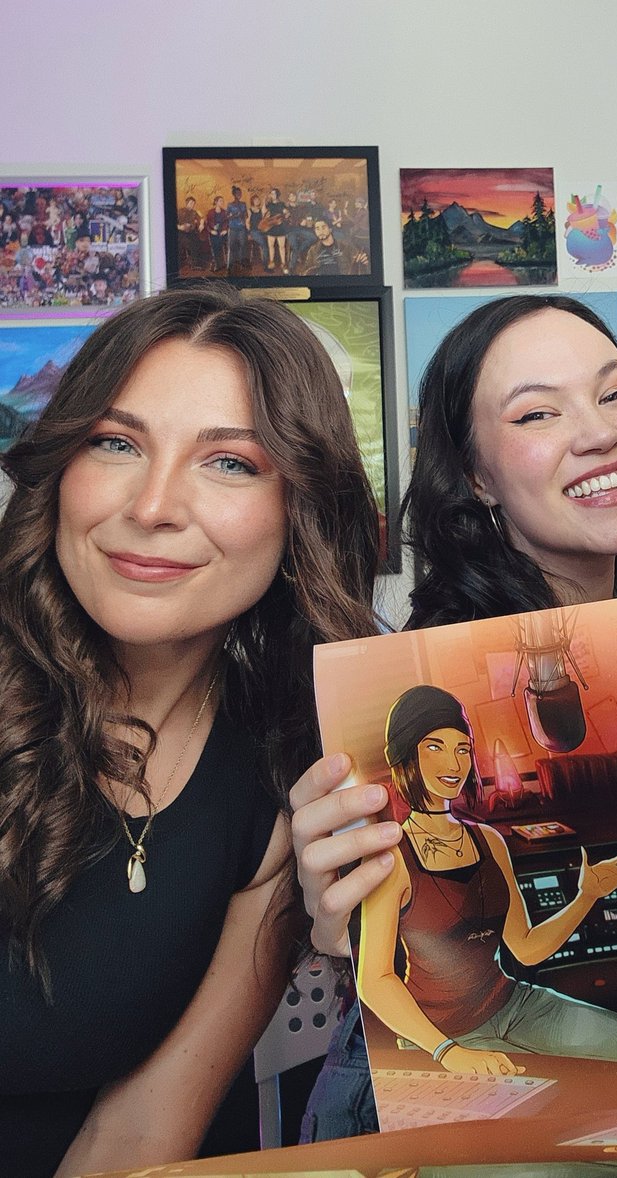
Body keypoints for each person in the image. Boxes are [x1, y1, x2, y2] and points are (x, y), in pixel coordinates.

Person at [0, 285, 381, 1177]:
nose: (154, 505)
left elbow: (137, 1135)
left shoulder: (289, 780)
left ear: (299, 511)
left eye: (231, 463)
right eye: (116, 443)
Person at [292, 293, 617, 1140]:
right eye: (538, 412)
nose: (599, 432)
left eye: (616, 392)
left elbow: (526, 948)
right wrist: (333, 914)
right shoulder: (414, 679)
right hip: (410, 1093)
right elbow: (371, 945)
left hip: (556, 1018)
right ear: (474, 477)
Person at [358, 683, 617, 1077]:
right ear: (406, 755)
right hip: (440, 1036)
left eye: (462, 749)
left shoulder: (489, 840)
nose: (453, 763)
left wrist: (586, 896)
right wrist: (447, 1052)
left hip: (516, 1005)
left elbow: (527, 948)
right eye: (435, 746)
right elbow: (374, 980)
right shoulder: (390, 858)